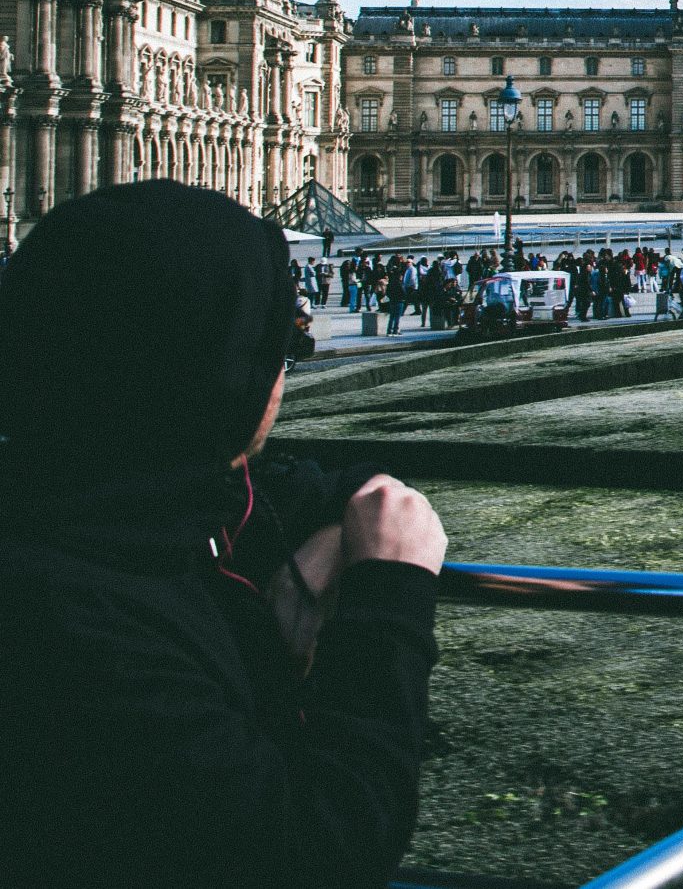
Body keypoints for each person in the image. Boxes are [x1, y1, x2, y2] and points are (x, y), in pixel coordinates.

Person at [0, 180, 447, 887]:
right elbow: (321, 849)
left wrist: (331, 538)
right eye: (271, 348)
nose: (277, 377)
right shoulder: (72, 625)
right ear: (208, 369)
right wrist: (389, 599)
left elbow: (335, 479)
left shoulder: (121, 485)